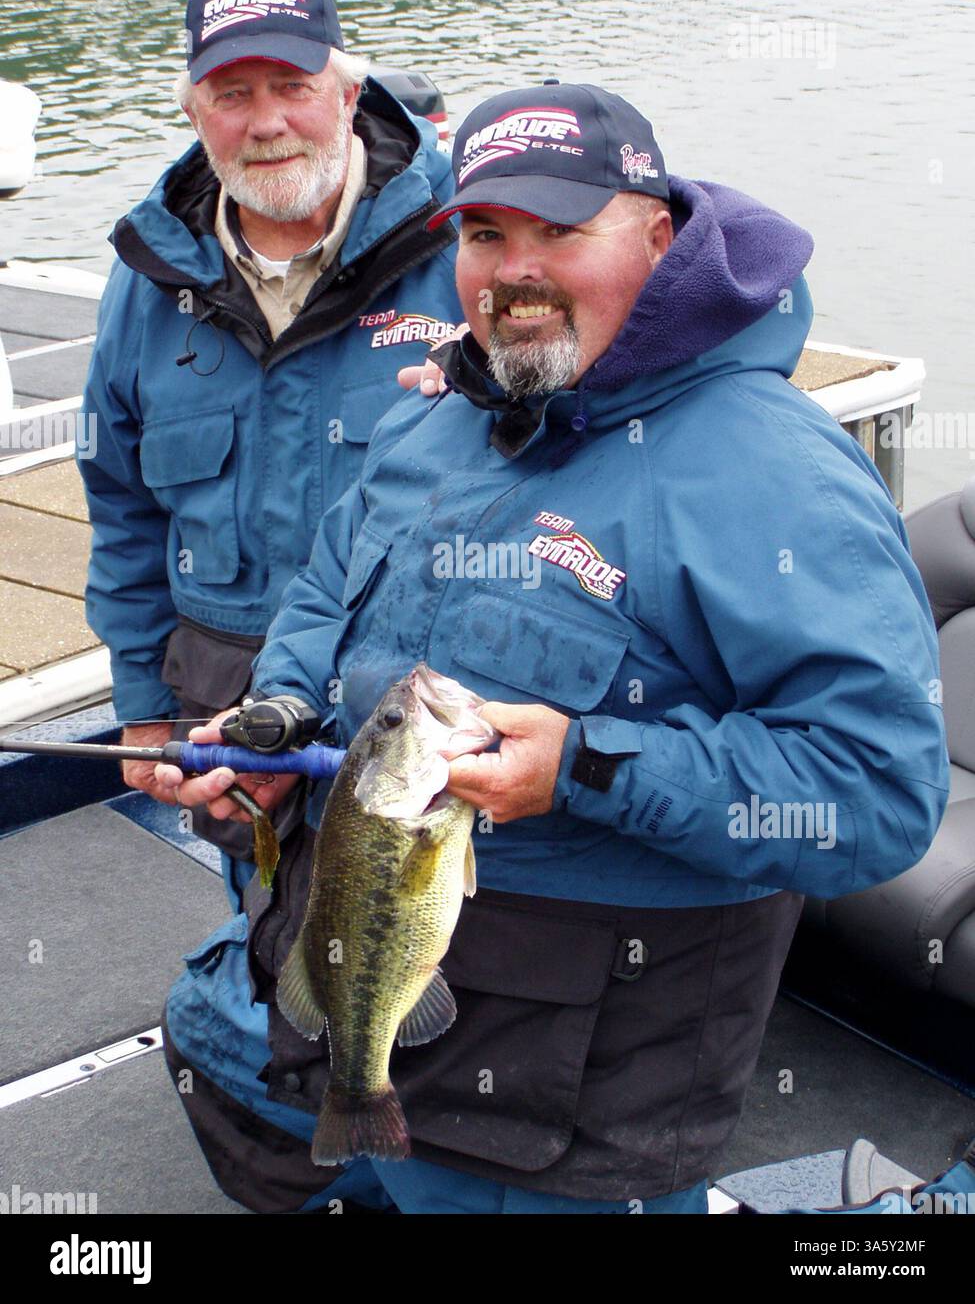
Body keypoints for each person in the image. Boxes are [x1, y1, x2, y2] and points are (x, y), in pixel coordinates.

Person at [158, 83, 956, 1213]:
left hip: (579, 1094)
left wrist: (587, 765)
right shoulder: (439, 409)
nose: (514, 269)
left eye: (560, 231)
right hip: (389, 995)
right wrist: (271, 721)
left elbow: (875, 795)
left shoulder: (774, 477)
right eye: (486, 234)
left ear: (659, 234)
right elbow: (330, 587)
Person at [77, 0, 461, 1212]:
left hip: (412, 693)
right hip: (223, 684)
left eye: (290, 84)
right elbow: (123, 510)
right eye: (229, 93)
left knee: (428, 937)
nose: (264, 120)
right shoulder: (148, 278)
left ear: (347, 92)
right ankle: (308, 1107)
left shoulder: (470, 245)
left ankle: (440, 1140)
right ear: (193, 111)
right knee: (272, 915)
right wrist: (142, 704)